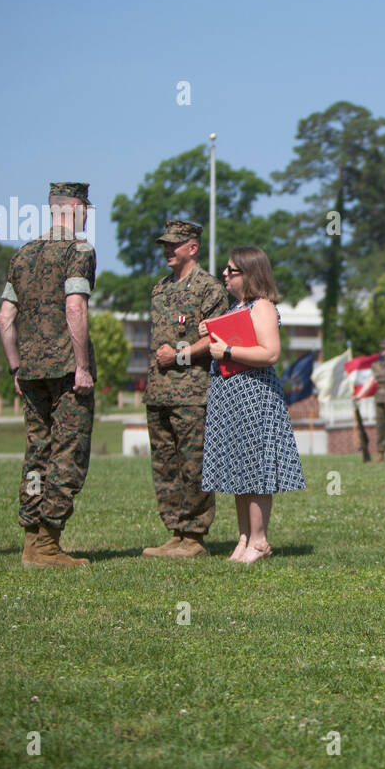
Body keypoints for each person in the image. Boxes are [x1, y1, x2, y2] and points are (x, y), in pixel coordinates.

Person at [0, 181, 96, 569]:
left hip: (32, 370)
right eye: (86, 207)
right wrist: (82, 366)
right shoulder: (79, 251)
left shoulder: (22, 256)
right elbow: (75, 307)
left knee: (37, 453)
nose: (88, 214)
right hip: (66, 372)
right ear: (73, 207)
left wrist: (15, 367)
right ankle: (48, 545)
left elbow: (6, 318)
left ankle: (30, 540)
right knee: (68, 453)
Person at [198, 246, 305, 562]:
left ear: (250, 273)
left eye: (231, 271)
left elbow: (270, 353)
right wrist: (210, 331)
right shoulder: (236, 307)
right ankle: (244, 537)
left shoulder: (263, 307)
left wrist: (227, 351)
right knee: (238, 469)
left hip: (254, 398)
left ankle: (259, 540)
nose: (225, 275)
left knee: (255, 470)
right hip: (231, 398)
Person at [142, 220, 229, 559]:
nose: (167, 249)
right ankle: (175, 531)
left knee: (193, 465)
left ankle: (194, 536)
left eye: (173, 244)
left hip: (192, 393)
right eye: (164, 244)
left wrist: (179, 354)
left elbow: (216, 339)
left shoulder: (209, 289)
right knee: (165, 465)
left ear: (192, 248)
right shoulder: (160, 288)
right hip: (159, 391)